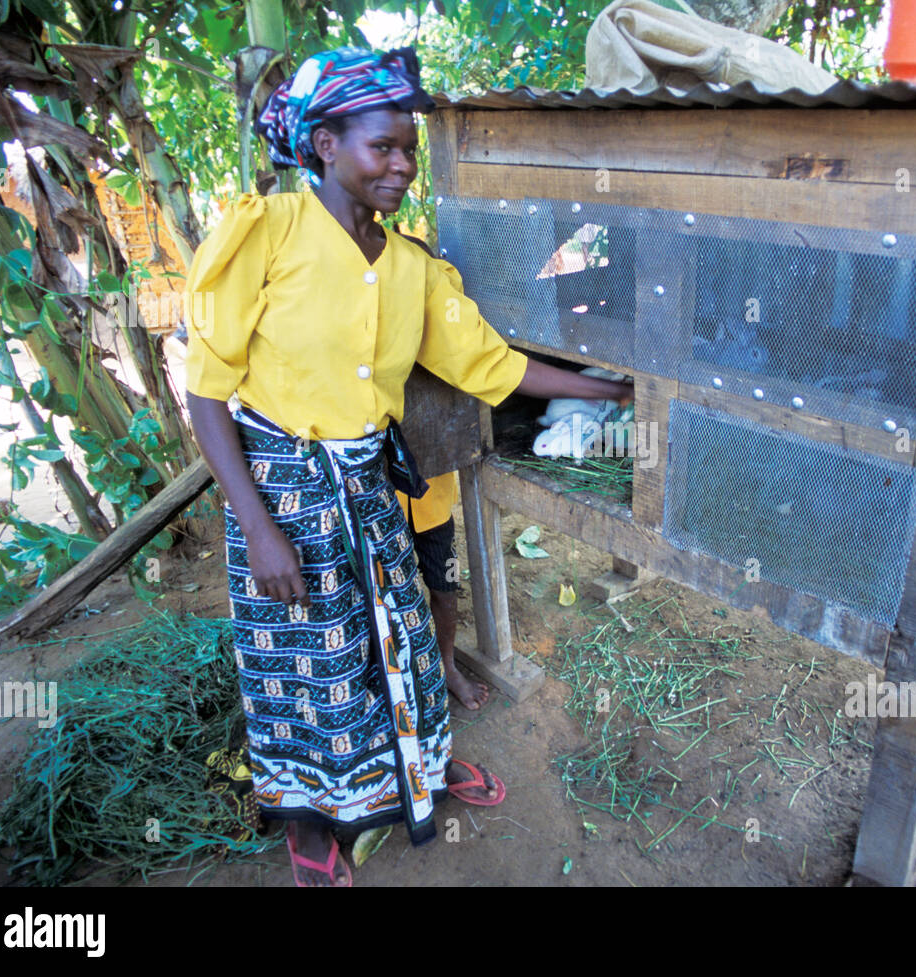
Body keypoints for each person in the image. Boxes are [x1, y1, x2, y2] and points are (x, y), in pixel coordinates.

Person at [185, 47, 631, 886]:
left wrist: (608, 387)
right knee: (307, 661)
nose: (400, 164)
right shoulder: (266, 234)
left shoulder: (411, 266)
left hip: (370, 483)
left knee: (402, 638)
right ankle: (310, 821)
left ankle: (419, 774)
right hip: (281, 490)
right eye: (381, 147)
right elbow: (207, 394)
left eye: (408, 150)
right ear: (323, 145)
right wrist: (258, 526)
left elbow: (491, 365)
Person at [397, 472, 489, 711]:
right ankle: (397, 674)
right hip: (384, 509)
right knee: (392, 592)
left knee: (447, 585)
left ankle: (447, 666)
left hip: (434, 501)